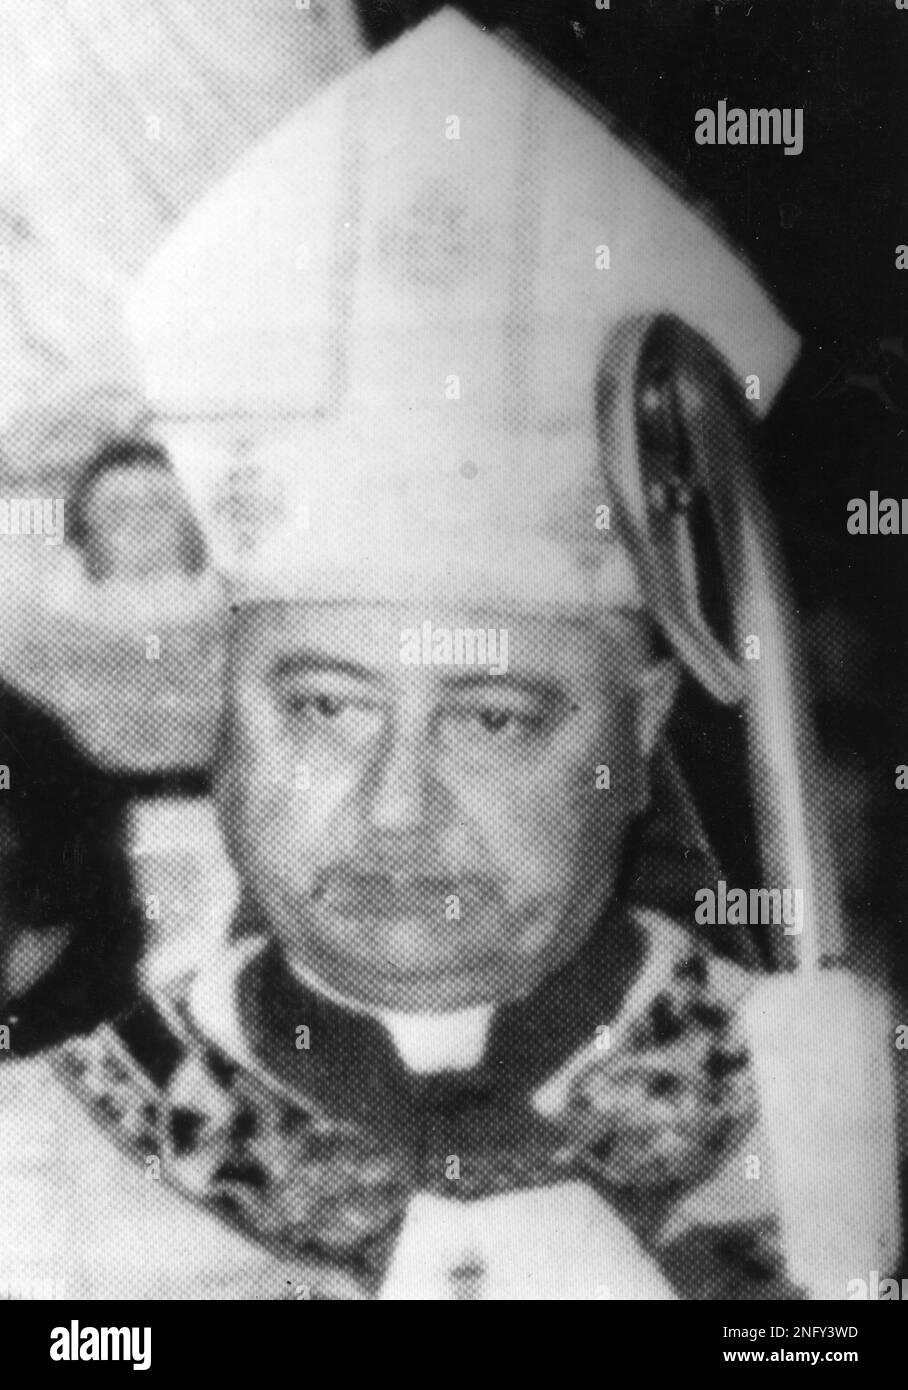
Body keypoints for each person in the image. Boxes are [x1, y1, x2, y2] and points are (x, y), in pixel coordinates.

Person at [0, 7, 900, 1300]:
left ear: (642, 729)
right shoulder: (30, 1184)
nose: (396, 807)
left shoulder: (840, 1139)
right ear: (225, 719)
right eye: (322, 708)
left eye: (493, 717)